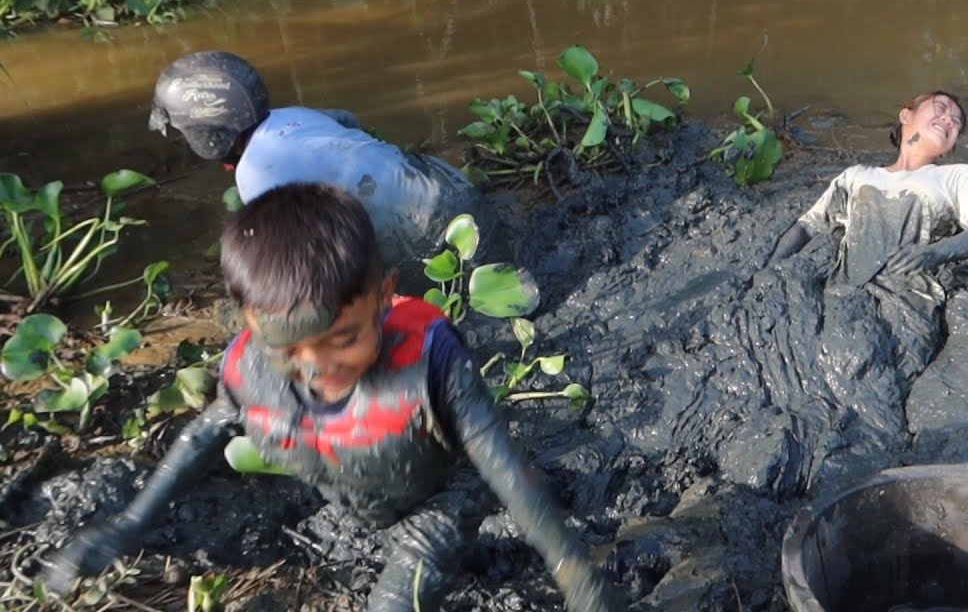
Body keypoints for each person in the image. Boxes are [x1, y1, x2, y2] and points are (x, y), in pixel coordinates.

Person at [41, 183, 622, 612]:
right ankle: (476, 565)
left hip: (440, 500)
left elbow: (502, 465)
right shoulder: (250, 368)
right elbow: (204, 434)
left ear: (385, 298)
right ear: (248, 321)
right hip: (366, 493)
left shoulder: (432, 363)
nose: (318, 367)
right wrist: (126, 526)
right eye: (288, 348)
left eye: (344, 338)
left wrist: (574, 572)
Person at [148, 50, 496, 293]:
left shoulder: (254, 174)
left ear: (206, 132)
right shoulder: (290, 114)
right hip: (450, 187)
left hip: (424, 236)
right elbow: (348, 122)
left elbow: (304, 253)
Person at [771, 90, 968, 275]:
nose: (948, 119)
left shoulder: (959, 176)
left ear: (949, 149)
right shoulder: (856, 175)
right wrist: (771, 270)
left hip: (908, 290)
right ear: (906, 115)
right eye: (941, 108)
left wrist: (934, 253)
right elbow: (807, 226)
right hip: (845, 286)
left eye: (956, 123)